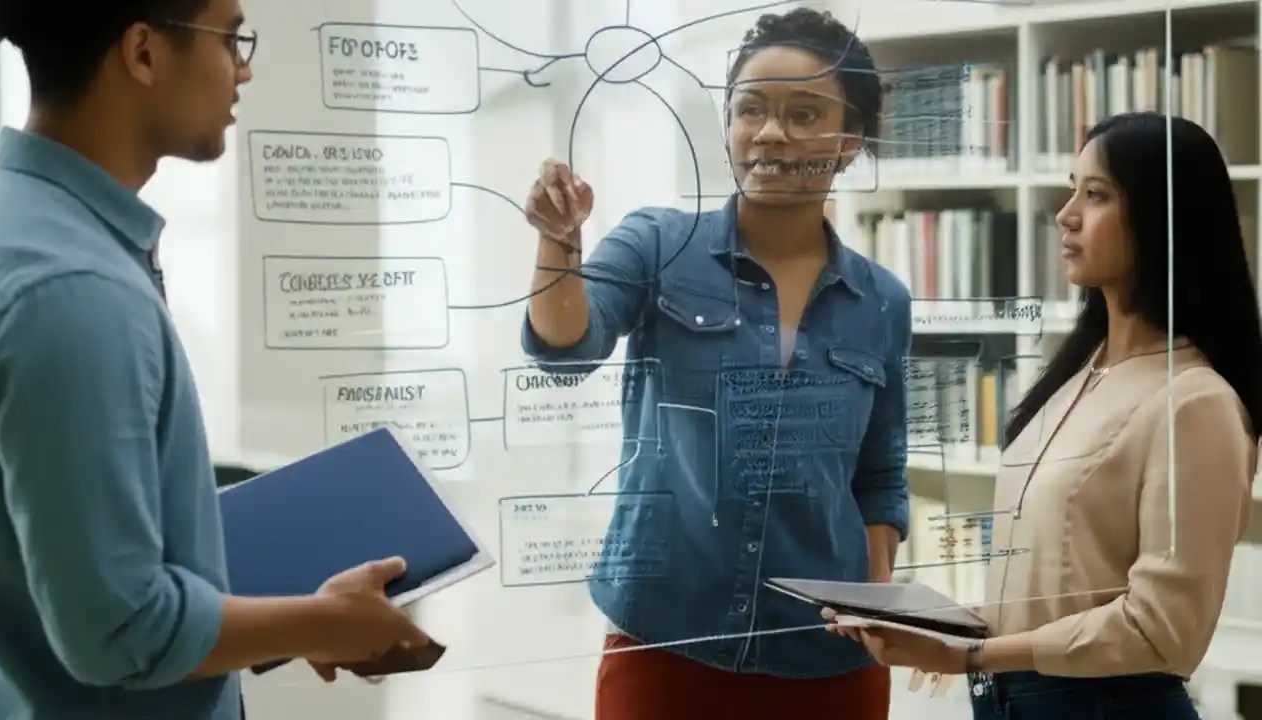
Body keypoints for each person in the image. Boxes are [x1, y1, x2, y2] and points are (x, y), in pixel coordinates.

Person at [0, 2, 433, 719]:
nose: (245, 68)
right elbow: (118, 629)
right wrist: (326, 621)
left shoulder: (18, 231)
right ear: (142, 53)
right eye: (229, 39)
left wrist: (284, 617)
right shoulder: (73, 291)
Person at [520, 7, 911, 719]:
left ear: (849, 141)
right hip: (668, 649)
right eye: (749, 110)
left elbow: (879, 476)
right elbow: (566, 347)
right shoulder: (657, 243)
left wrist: (876, 601)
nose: (769, 132)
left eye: (803, 114)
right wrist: (558, 245)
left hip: (829, 664)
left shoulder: (882, 300)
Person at [827, 112, 1262, 719]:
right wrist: (946, 629)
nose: (1066, 214)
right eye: (1071, 188)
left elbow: (1163, 627)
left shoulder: (1196, 401)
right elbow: (1058, 596)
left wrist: (977, 656)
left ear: (1167, 218)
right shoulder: (1074, 380)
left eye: (1097, 194)